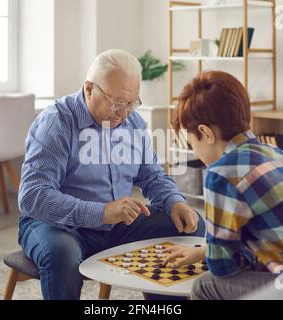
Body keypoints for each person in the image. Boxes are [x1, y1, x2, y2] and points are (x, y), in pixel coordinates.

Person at [17, 49, 205, 300]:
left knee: (190, 226)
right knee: (61, 252)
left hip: (116, 226)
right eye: (117, 102)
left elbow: (151, 175)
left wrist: (175, 201)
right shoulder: (56, 123)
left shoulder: (134, 123)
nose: (125, 112)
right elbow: (33, 197)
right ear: (89, 89)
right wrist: (102, 213)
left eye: (132, 102)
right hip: (58, 226)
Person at [164, 70, 283, 300]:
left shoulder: (221, 172)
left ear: (205, 133)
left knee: (205, 286)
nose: (193, 150)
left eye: (191, 142)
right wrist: (205, 251)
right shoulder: (275, 153)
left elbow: (222, 268)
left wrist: (215, 253)